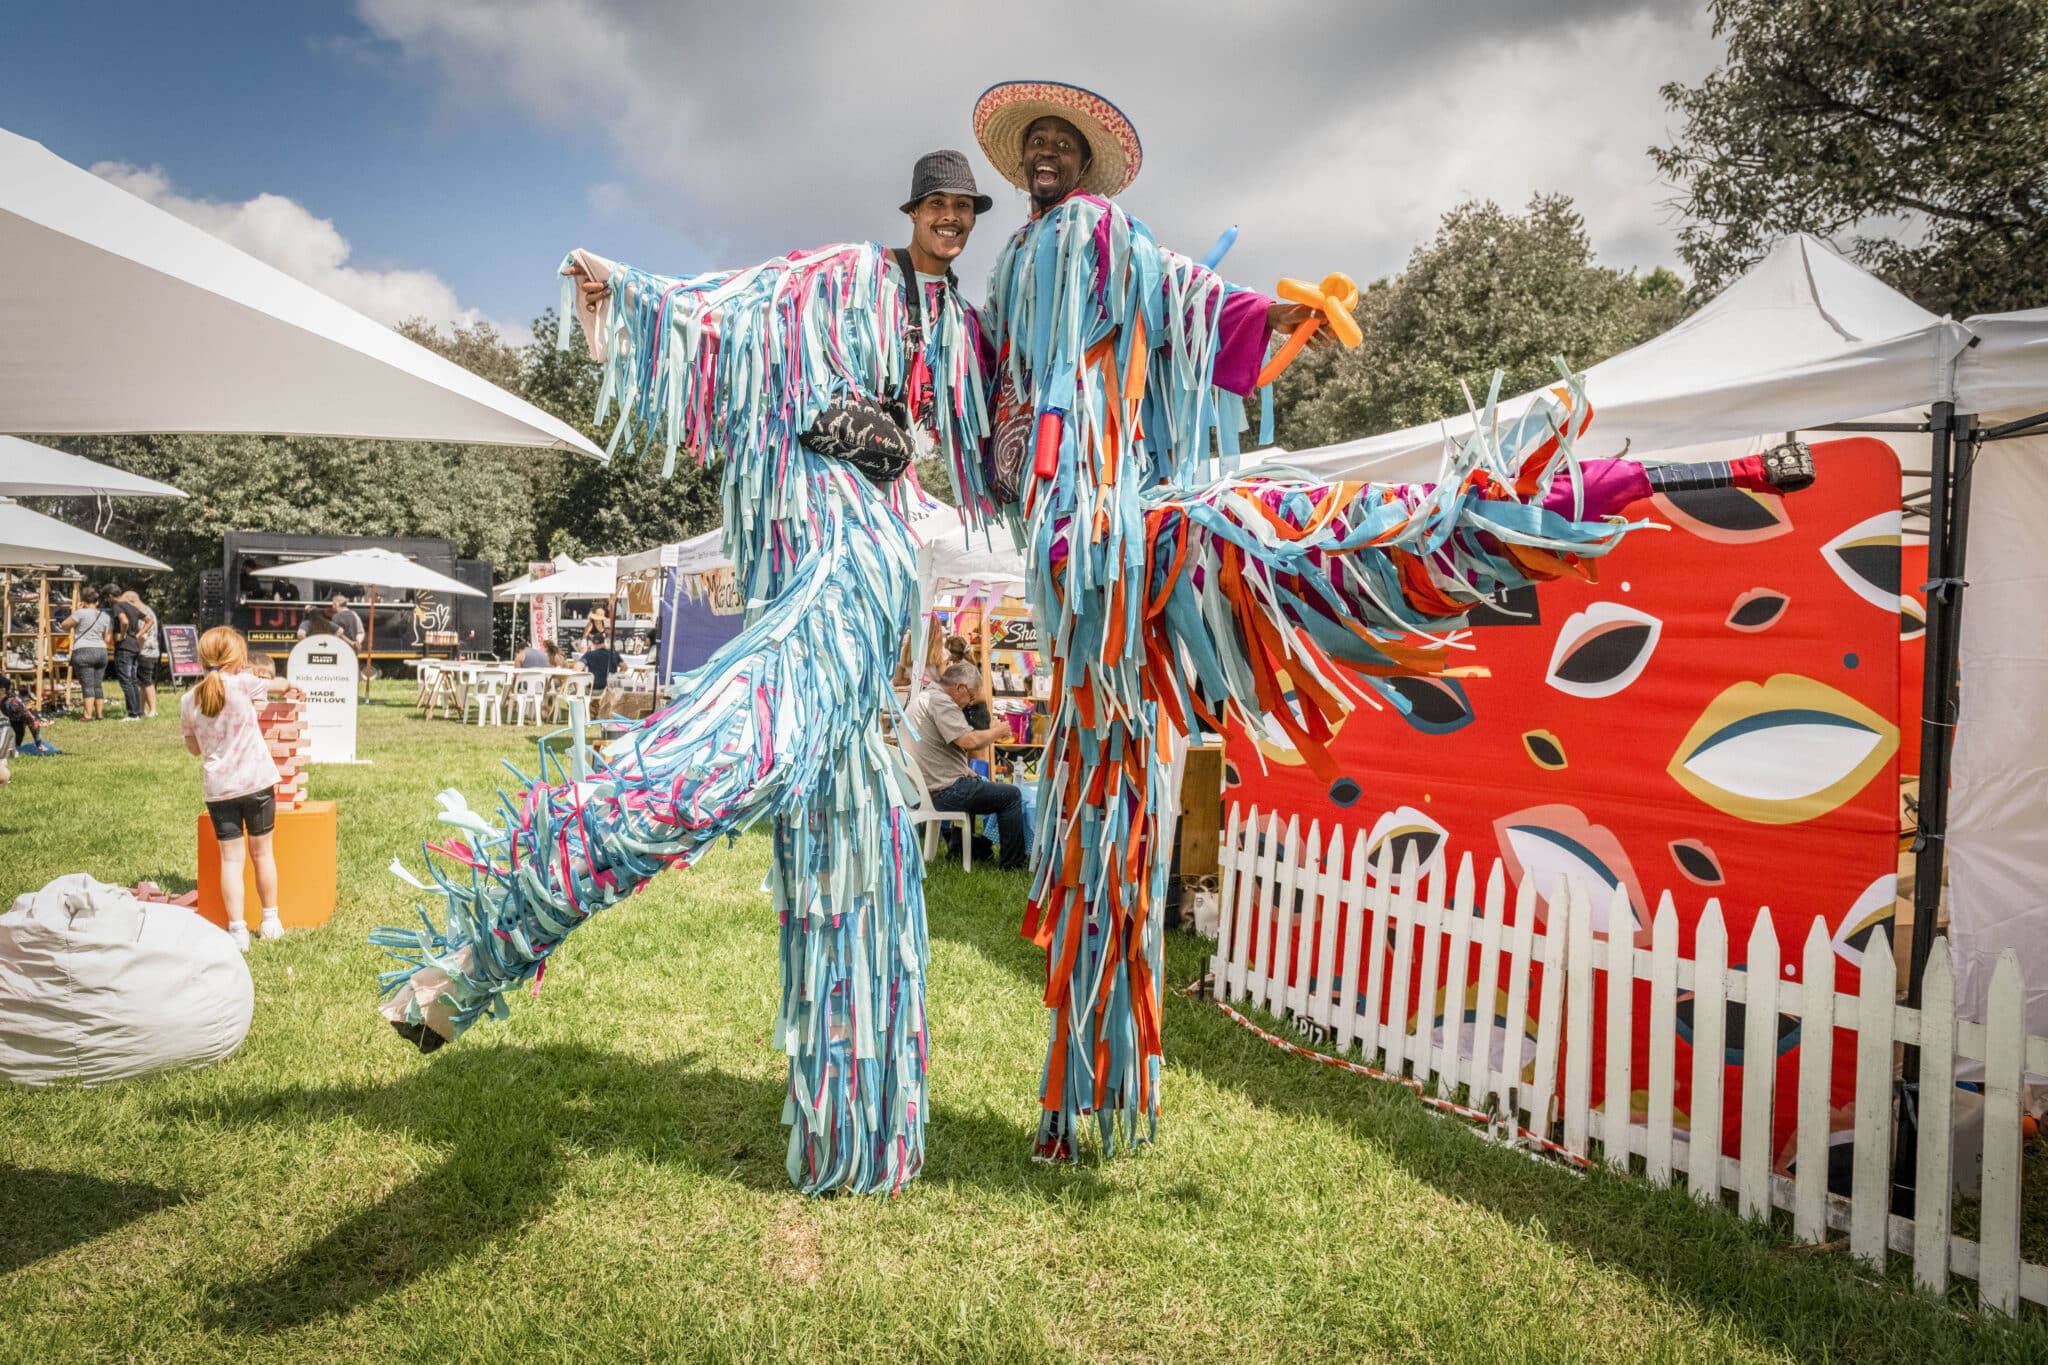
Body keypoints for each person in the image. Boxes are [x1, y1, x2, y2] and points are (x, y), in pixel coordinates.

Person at [377, 149, 996, 1198]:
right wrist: (626, 294)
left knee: (863, 874)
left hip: (882, 590)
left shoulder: (965, 333)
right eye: (936, 203)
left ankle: (860, 1144)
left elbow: (1017, 427)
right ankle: (479, 953)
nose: (949, 219)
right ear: (910, 211)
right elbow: (727, 313)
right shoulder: (835, 281)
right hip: (825, 583)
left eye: (962, 209)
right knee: (712, 763)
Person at [180, 626, 300, 952]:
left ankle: (236, 930)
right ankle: (271, 920)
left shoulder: (188, 700)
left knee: (230, 861)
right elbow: (279, 685)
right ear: (238, 658)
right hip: (257, 783)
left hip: (219, 790)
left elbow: (193, 749)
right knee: (262, 854)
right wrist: (290, 684)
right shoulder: (245, 684)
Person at [903, 663, 1026, 870]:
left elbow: (936, 749)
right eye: (970, 697)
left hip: (921, 789)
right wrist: (998, 731)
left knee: (972, 783)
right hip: (940, 792)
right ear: (959, 687)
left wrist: (962, 769)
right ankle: (1012, 865)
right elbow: (968, 741)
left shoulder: (926, 696)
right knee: (1011, 795)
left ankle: (960, 850)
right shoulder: (941, 702)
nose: (968, 704)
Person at [60, 586, 114, 722]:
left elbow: (64, 625)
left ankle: (87, 715)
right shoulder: (105, 616)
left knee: (87, 684)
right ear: (97, 602)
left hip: (83, 650)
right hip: (101, 652)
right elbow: (108, 639)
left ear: (83, 601)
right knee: (97, 684)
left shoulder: (80, 613)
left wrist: (76, 610)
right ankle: (100, 715)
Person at [104, 582, 149, 721]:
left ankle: (132, 714)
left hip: (124, 647)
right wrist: (138, 635)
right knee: (133, 680)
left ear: (110, 596)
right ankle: (138, 712)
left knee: (126, 681)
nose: (107, 601)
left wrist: (123, 634)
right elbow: (149, 620)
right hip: (135, 646)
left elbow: (123, 621)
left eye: (107, 598)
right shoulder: (132, 606)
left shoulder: (117, 606)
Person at [117, 590, 161, 719]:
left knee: (146, 681)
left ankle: (153, 710)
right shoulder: (147, 610)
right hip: (150, 651)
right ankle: (141, 709)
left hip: (146, 651)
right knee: (142, 682)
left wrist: (134, 644)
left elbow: (143, 635)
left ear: (132, 601)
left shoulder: (143, 613)